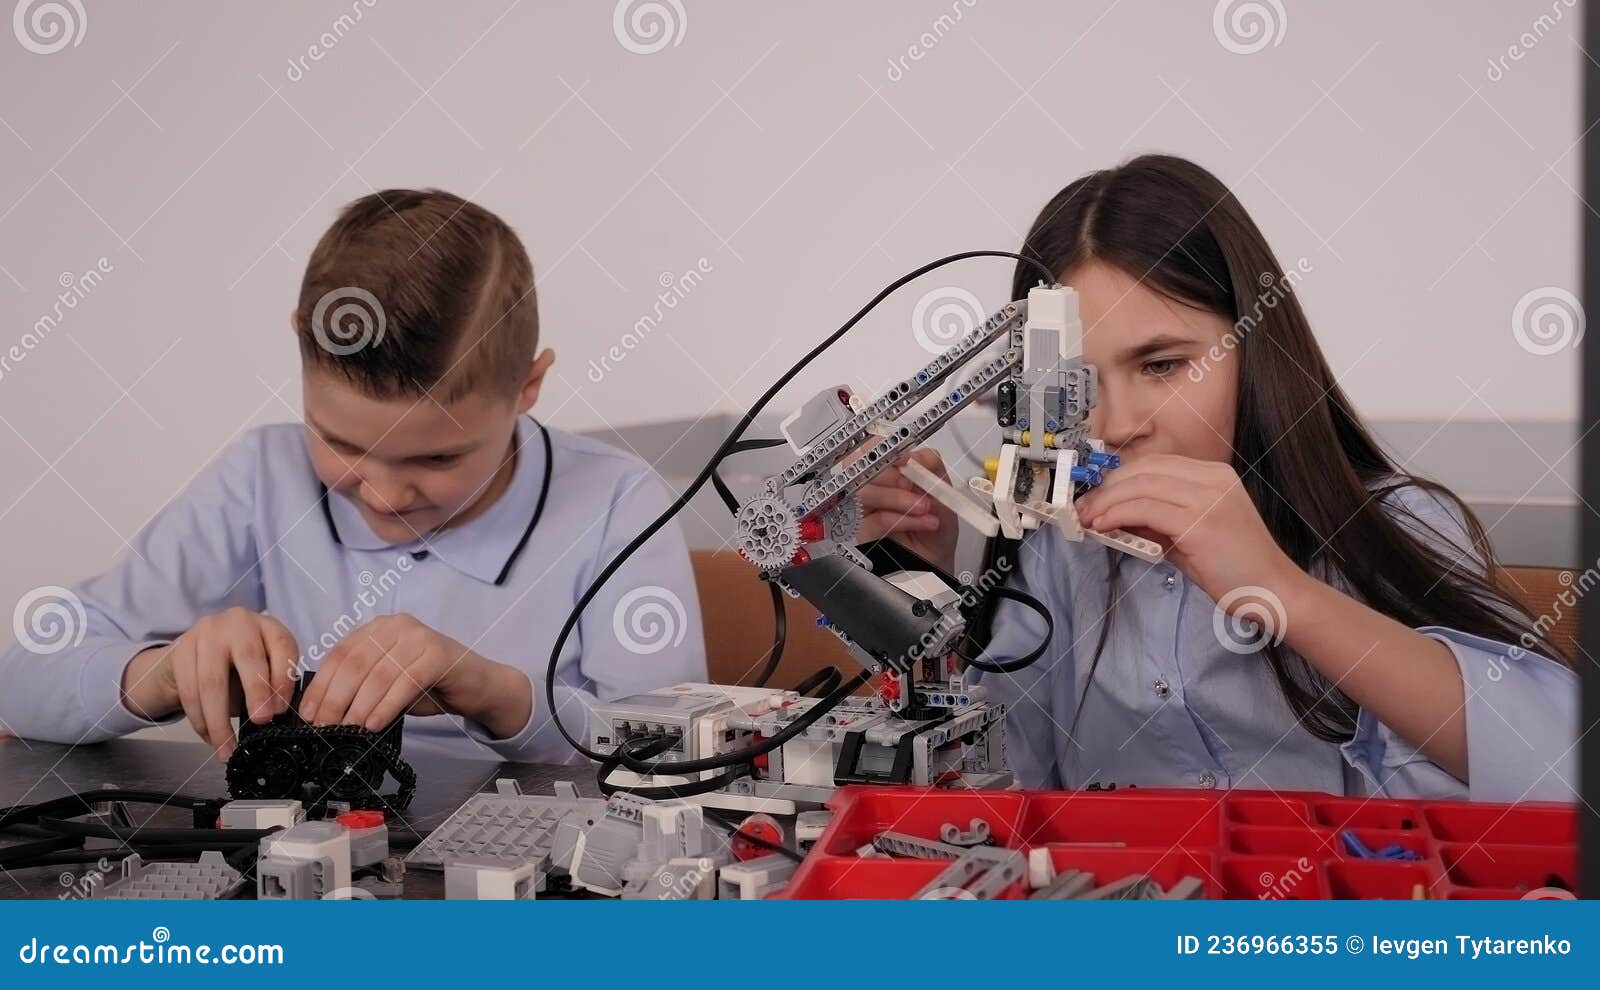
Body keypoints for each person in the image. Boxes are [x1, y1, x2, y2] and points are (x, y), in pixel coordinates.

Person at [859, 155, 1576, 801]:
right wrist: (923, 592)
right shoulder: (1055, 555)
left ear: (1256, 349)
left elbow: (1559, 769)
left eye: (1163, 365)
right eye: (1076, 386)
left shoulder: (1400, 523)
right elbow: (990, 794)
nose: (1116, 423)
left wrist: (1279, 587)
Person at [0, 189, 705, 763]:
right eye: (340, 443)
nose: (386, 494)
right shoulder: (260, 476)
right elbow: (20, 679)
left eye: (438, 458)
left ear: (529, 386)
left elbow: (679, 753)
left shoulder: (618, 502)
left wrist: (495, 694)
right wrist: (161, 670)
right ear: (299, 348)